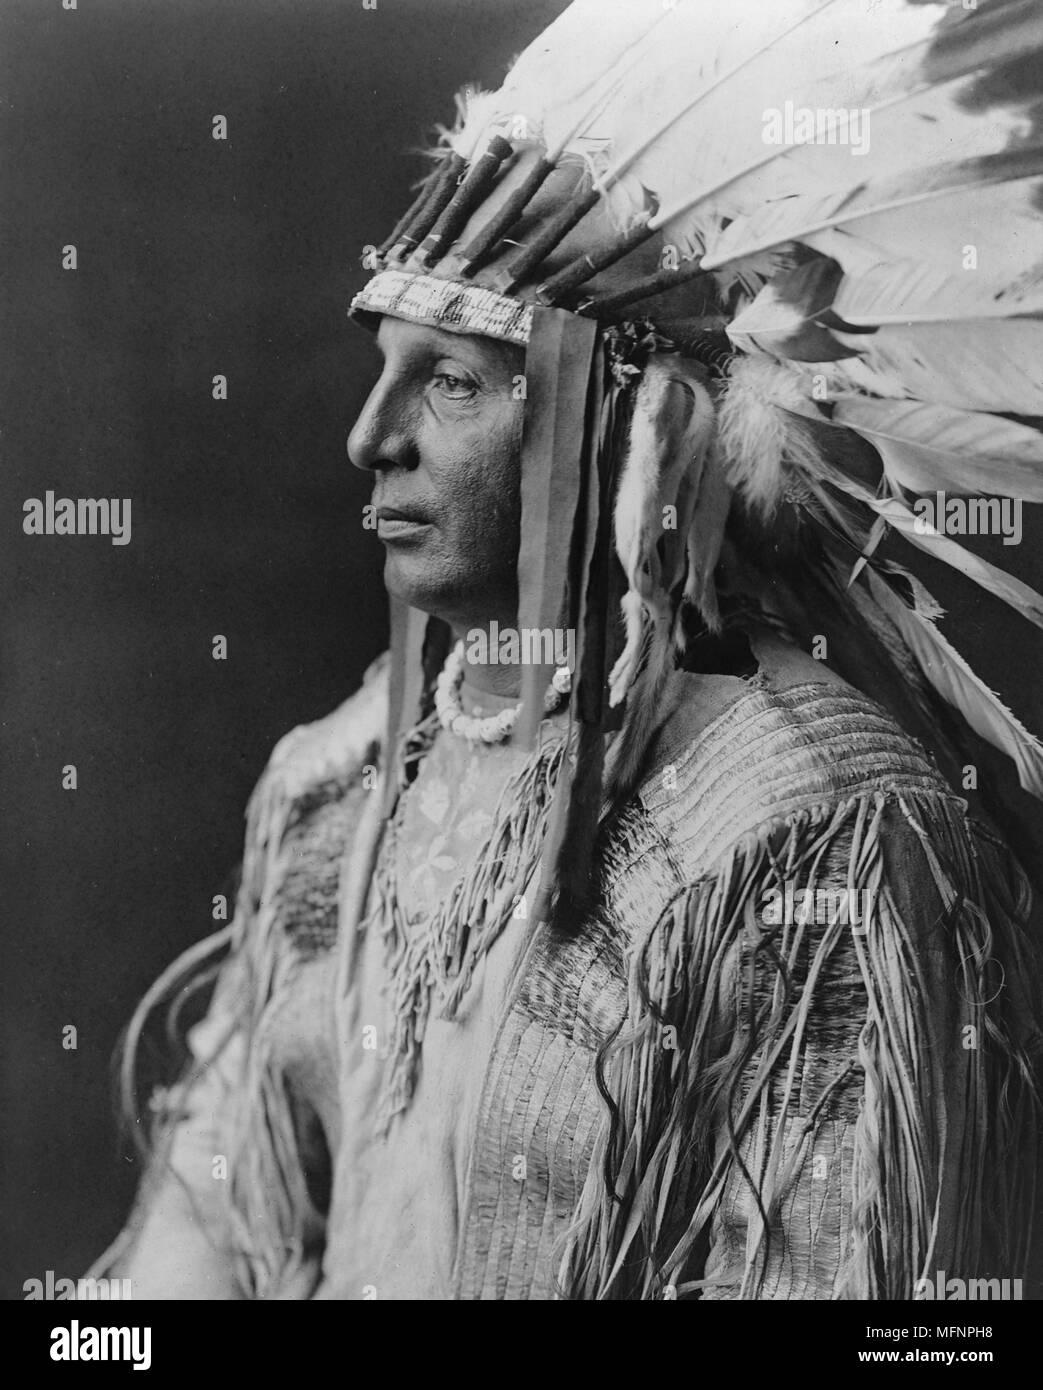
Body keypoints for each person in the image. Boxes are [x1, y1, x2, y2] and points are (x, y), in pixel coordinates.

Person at [88, 0, 1043, 1300]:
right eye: (386, 368)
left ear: (626, 429)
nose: (371, 437)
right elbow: (210, 1220)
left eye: (456, 382)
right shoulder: (329, 795)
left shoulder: (818, 835)